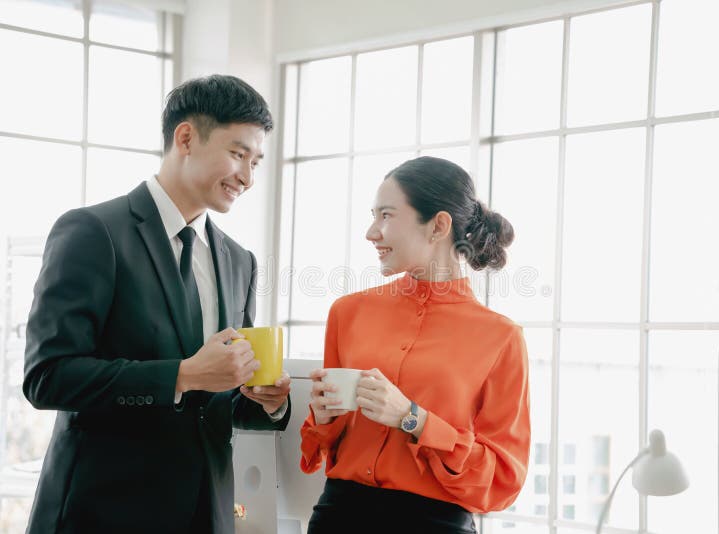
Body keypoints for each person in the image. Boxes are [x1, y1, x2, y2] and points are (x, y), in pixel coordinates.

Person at [23, 74, 291, 534]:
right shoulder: (94, 232)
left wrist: (264, 402)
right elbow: (48, 378)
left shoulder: (238, 261)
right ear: (185, 137)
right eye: (237, 153)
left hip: (205, 515)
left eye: (256, 161)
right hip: (102, 513)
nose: (247, 177)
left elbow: (217, 401)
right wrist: (183, 374)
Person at [300, 156, 531, 533]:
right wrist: (324, 417)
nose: (372, 232)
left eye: (387, 216)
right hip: (339, 515)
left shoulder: (501, 338)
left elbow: (502, 478)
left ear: (439, 225)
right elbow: (328, 444)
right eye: (373, 216)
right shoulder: (348, 313)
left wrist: (414, 419)